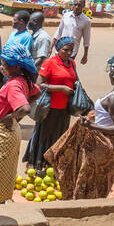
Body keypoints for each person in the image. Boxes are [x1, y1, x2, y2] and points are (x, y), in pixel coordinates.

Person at [45, 52, 114, 199]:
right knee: (100, 181)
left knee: (87, 178)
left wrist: (92, 126)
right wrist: (104, 119)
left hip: (101, 144)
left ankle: (82, 208)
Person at [0, 43, 38, 203]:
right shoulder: (23, 80)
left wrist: (11, 117)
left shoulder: (14, 85)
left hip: (2, 132)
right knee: (3, 171)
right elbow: (37, 91)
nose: (2, 66)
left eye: (5, 63)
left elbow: (26, 108)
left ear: (15, 66)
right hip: (9, 131)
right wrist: (15, 117)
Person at [24, 35, 79, 172]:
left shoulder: (72, 63)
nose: (68, 53)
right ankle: (35, 161)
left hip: (65, 108)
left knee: (59, 135)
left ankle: (51, 162)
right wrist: (61, 89)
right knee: (44, 134)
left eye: (71, 50)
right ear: (58, 49)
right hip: (49, 107)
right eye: (65, 50)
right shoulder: (49, 63)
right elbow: (39, 85)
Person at [54, 0, 91, 65]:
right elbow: (58, 32)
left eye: (79, 5)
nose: (77, 7)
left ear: (83, 7)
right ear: (73, 5)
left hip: (71, 52)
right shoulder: (66, 16)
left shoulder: (86, 21)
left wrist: (85, 55)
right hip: (60, 49)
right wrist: (51, 47)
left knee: (66, 70)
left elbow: (86, 40)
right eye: (75, 4)